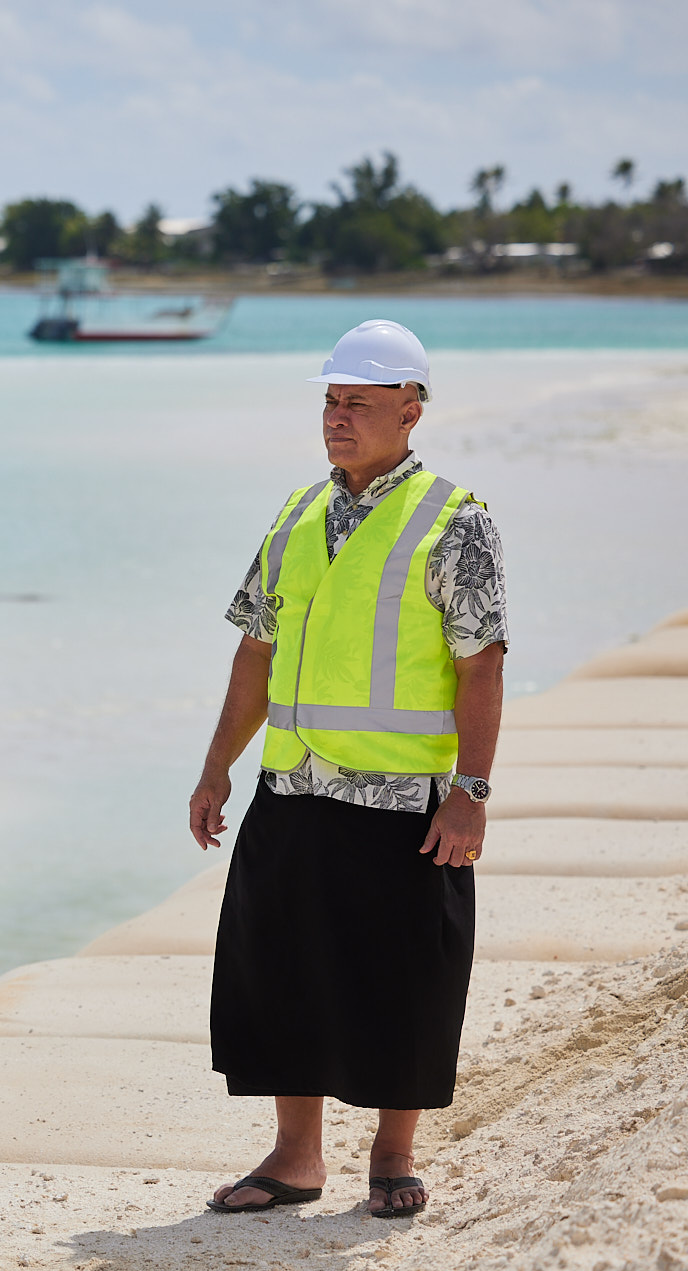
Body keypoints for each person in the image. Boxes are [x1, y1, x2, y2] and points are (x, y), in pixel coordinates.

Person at [188, 320, 506, 1220]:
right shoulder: (295, 515)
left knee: (405, 983)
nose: (338, 418)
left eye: (359, 404)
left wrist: (471, 792)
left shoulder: (457, 520)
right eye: (331, 401)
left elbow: (481, 661)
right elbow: (256, 648)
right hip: (291, 788)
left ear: (411, 411)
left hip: (403, 802)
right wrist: (217, 769)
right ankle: (295, 1160)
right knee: (280, 973)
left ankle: (394, 1154)